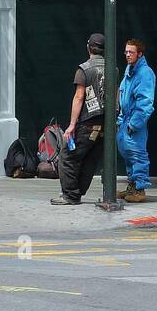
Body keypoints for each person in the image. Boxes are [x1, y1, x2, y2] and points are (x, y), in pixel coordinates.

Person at [52, 32, 108, 205]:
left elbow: (79, 97)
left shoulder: (84, 69)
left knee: (67, 157)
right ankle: (77, 192)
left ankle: (70, 195)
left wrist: (71, 125)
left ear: (89, 47)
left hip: (88, 121)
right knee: (90, 159)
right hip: (106, 122)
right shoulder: (112, 68)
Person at [117, 39, 155, 203]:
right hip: (126, 120)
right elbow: (122, 96)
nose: (127, 55)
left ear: (140, 54)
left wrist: (134, 124)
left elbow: (145, 102)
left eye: (131, 52)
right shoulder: (129, 71)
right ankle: (132, 185)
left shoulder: (145, 73)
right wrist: (120, 120)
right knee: (128, 154)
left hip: (133, 122)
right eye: (126, 51)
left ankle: (140, 189)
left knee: (137, 154)